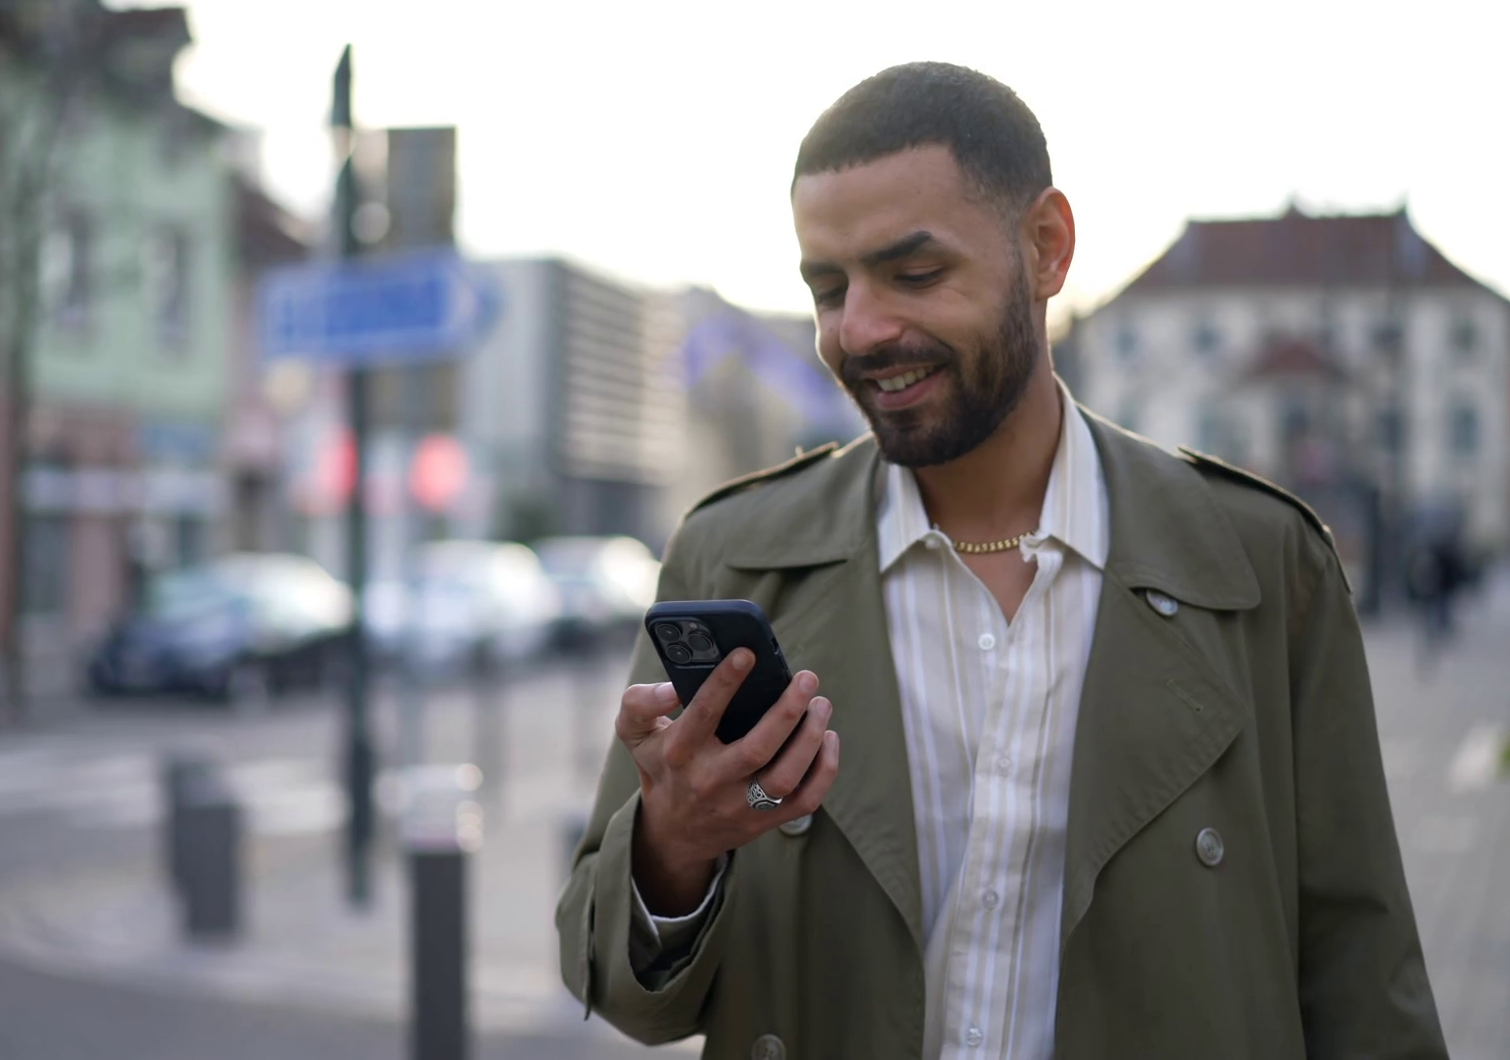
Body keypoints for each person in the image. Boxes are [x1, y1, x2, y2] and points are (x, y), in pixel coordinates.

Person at [556, 63, 1446, 1059]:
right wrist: (676, 844)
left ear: (1046, 249)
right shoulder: (733, 558)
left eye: (915, 274)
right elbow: (629, 997)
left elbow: (1364, 975)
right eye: (828, 286)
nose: (860, 329)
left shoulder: (1259, 563)